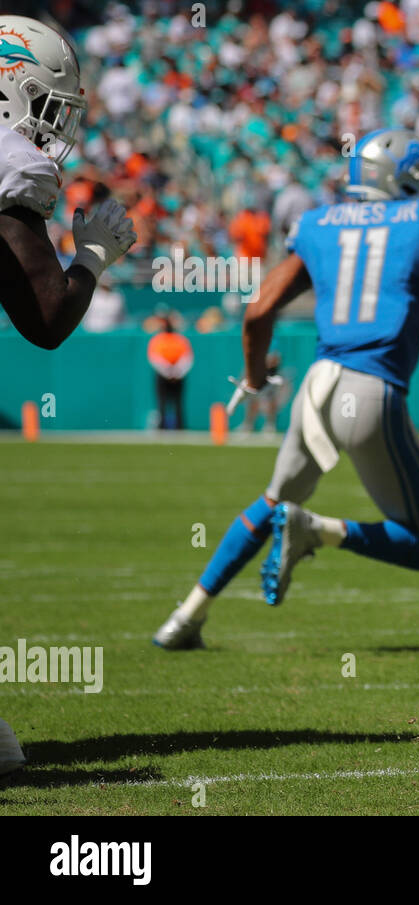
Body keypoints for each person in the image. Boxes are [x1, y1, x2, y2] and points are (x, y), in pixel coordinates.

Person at [153, 128, 419, 649]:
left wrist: (252, 377)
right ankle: (316, 529)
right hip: (371, 386)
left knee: (270, 500)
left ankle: (185, 617)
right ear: (402, 178)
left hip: (317, 384)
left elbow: (258, 309)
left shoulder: (318, 221)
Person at [0, 15, 137, 777]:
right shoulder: (8, 161)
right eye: (45, 103)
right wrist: (93, 254)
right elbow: (46, 316)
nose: (52, 126)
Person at [146, 314, 193, 429]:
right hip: (163, 376)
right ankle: (162, 428)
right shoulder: (157, 339)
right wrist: (168, 371)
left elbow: (187, 358)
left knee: (178, 404)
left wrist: (177, 371)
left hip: (178, 376)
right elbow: (154, 358)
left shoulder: (180, 340)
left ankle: (179, 428)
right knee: (162, 403)